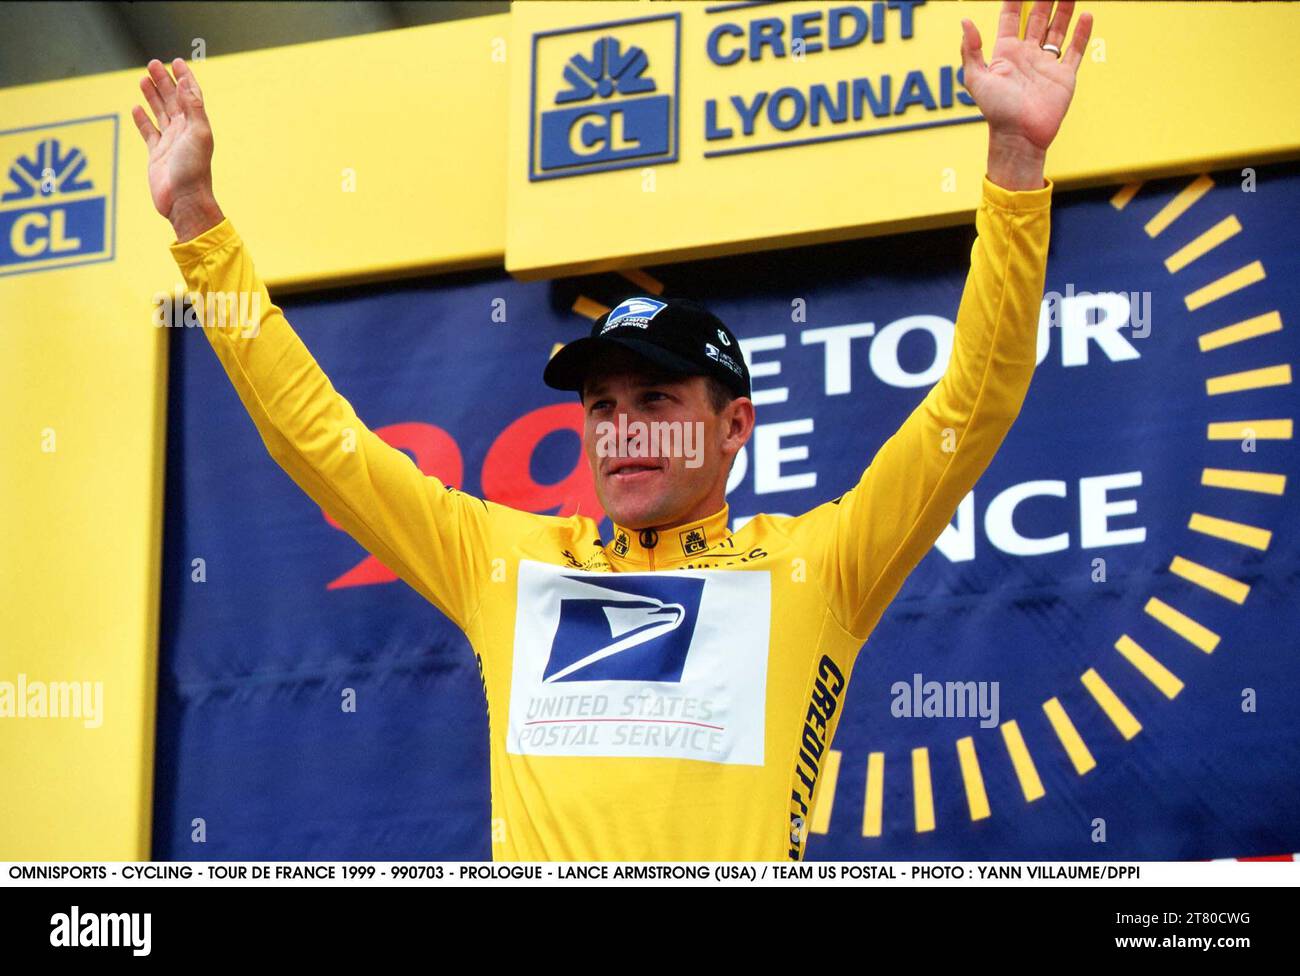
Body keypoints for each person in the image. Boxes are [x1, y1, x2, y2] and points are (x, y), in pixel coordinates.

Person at [133, 1, 1093, 861]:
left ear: (735, 427)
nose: (623, 432)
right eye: (602, 408)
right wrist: (198, 222)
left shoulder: (822, 565)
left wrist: (1015, 166)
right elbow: (316, 439)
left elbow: (975, 404)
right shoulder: (502, 560)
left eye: (658, 402)